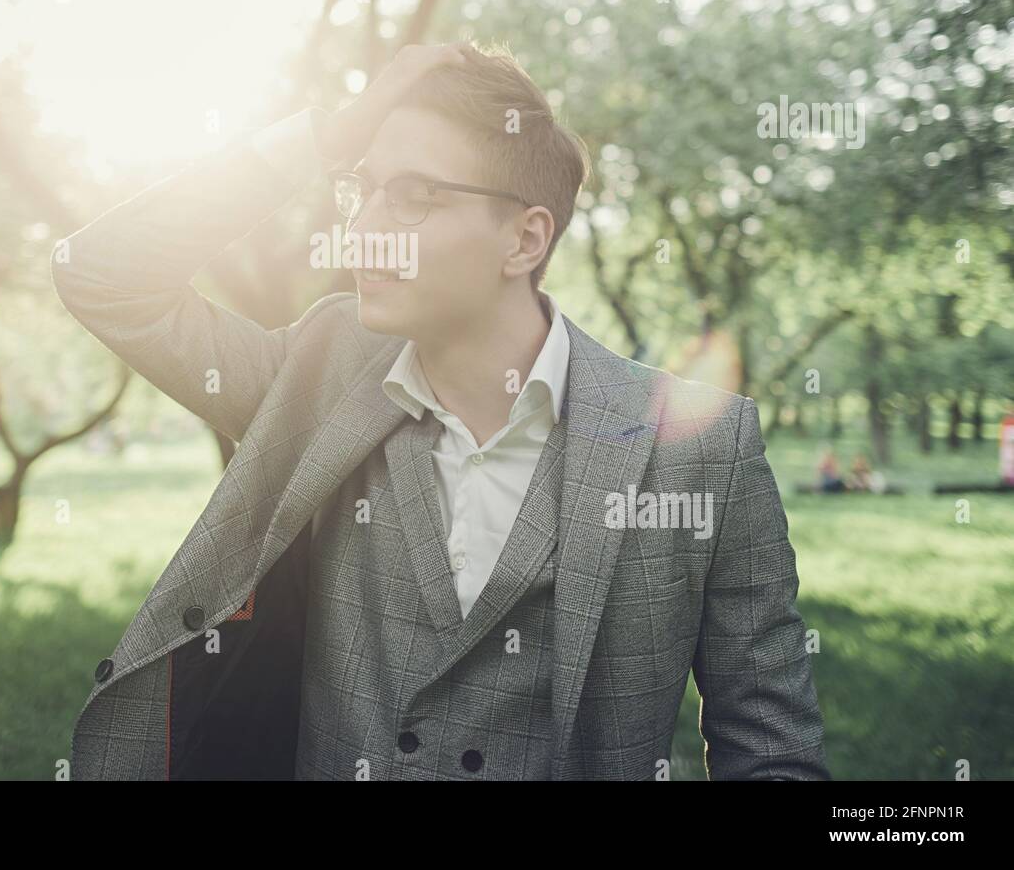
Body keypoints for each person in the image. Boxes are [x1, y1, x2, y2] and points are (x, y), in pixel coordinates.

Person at [53, 41, 828, 781]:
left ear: (524, 240)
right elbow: (102, 275)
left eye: (416, 196)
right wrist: (328, 138)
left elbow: (769, 746)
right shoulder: (315, 374)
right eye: (363, 191)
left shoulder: (703, 450)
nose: (361, 231)